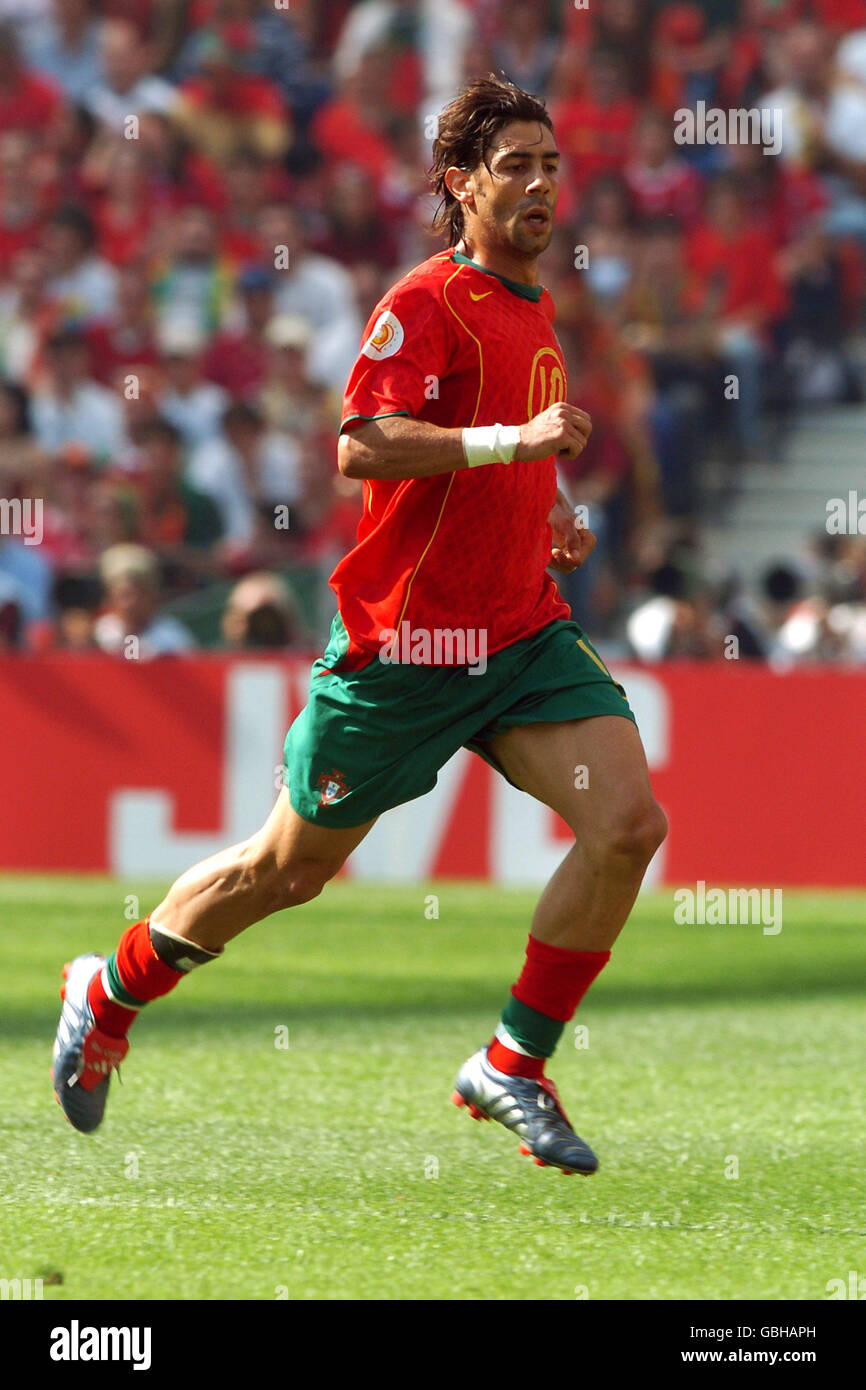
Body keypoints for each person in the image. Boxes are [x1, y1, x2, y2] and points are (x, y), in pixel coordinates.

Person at [52, 77, 667, 1177]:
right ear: (460, 185)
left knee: (627, 823)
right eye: (513, 166)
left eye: (549, 165)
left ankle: (511, 1062)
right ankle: (108, 989)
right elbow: (363, 445)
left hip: (517, 637)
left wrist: (553, 514)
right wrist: (508, 444)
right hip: (404, 650)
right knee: (282, 873)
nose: (537, 185)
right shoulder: (423, 301)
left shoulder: (531, 308)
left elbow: (508, 464)